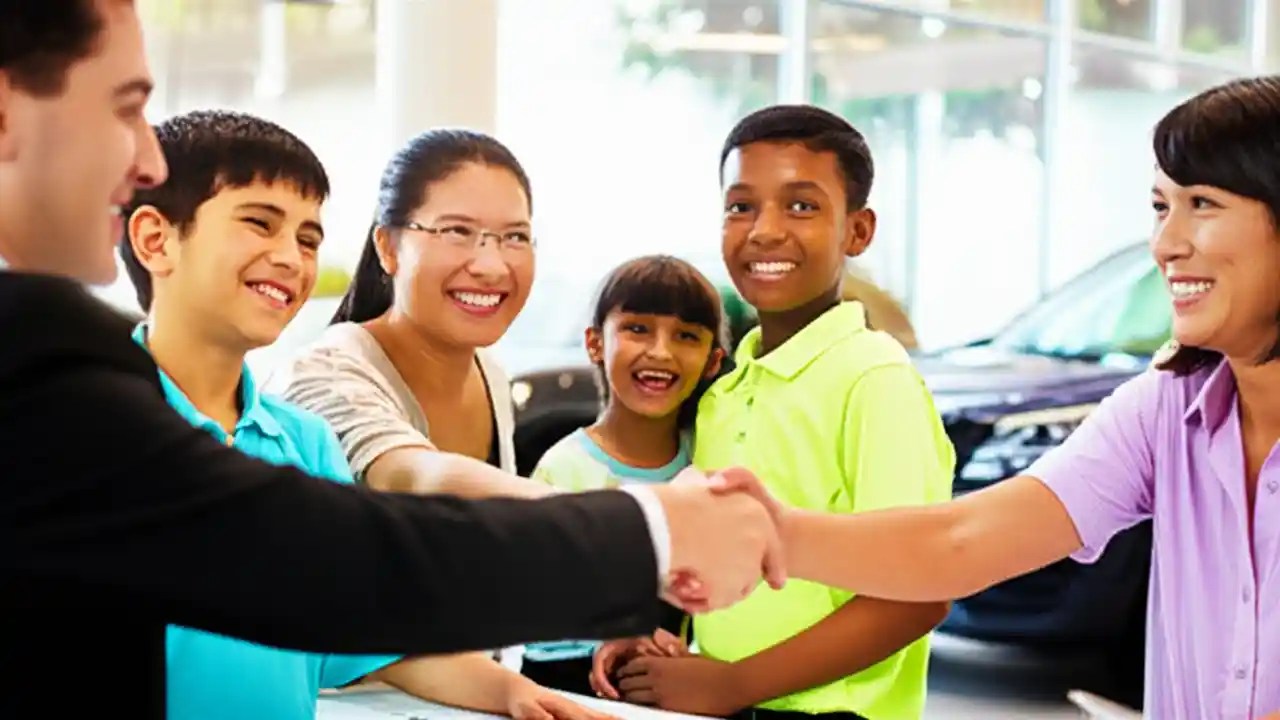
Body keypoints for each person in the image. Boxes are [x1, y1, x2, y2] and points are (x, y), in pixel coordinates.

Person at [0, 2, 784, 715]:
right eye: (126, 107)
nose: (145, 158)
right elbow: (355, 552)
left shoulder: (326, 423)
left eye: (514, 236)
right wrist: (648, 533)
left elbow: (346, 608)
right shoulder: (51, 370)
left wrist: (514, 690)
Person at [703, 77, 1280, 720]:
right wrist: (768, 534)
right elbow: (960, 543)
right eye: (1159, 207)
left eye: (1201, 203)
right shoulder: (1165, 411)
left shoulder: (873, 378)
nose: (1166, 243)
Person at [118, 108, 610, 720]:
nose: (290, 258)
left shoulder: (304, 444)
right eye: (259, 224)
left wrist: (512, 693)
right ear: (155, 239)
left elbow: (369, 633)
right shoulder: (89, 433)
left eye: (306, 238)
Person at [594, 106, 955, 720]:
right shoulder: (722, 395)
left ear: (857, 231)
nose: (764, 230)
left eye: (801, 206)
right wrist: (666, 640)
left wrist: (733, 685)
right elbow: (725, 573)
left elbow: (919, 594)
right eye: (741, 206)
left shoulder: (875, 379)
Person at [267, 129, 554, 501]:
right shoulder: (322, 376)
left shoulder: (489, 373)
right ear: (387, 247)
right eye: (456, 231)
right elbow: (411, 477)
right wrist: (611, 518)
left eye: (514, 237)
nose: (491, 266)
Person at [523, 255, 727, 695]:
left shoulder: (710, 459)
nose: (660, 351)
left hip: (673, 686)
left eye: (686, 336)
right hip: (571, 682)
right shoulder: (564, 467)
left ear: (712, 362)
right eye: (638, 328)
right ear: (596, 343)